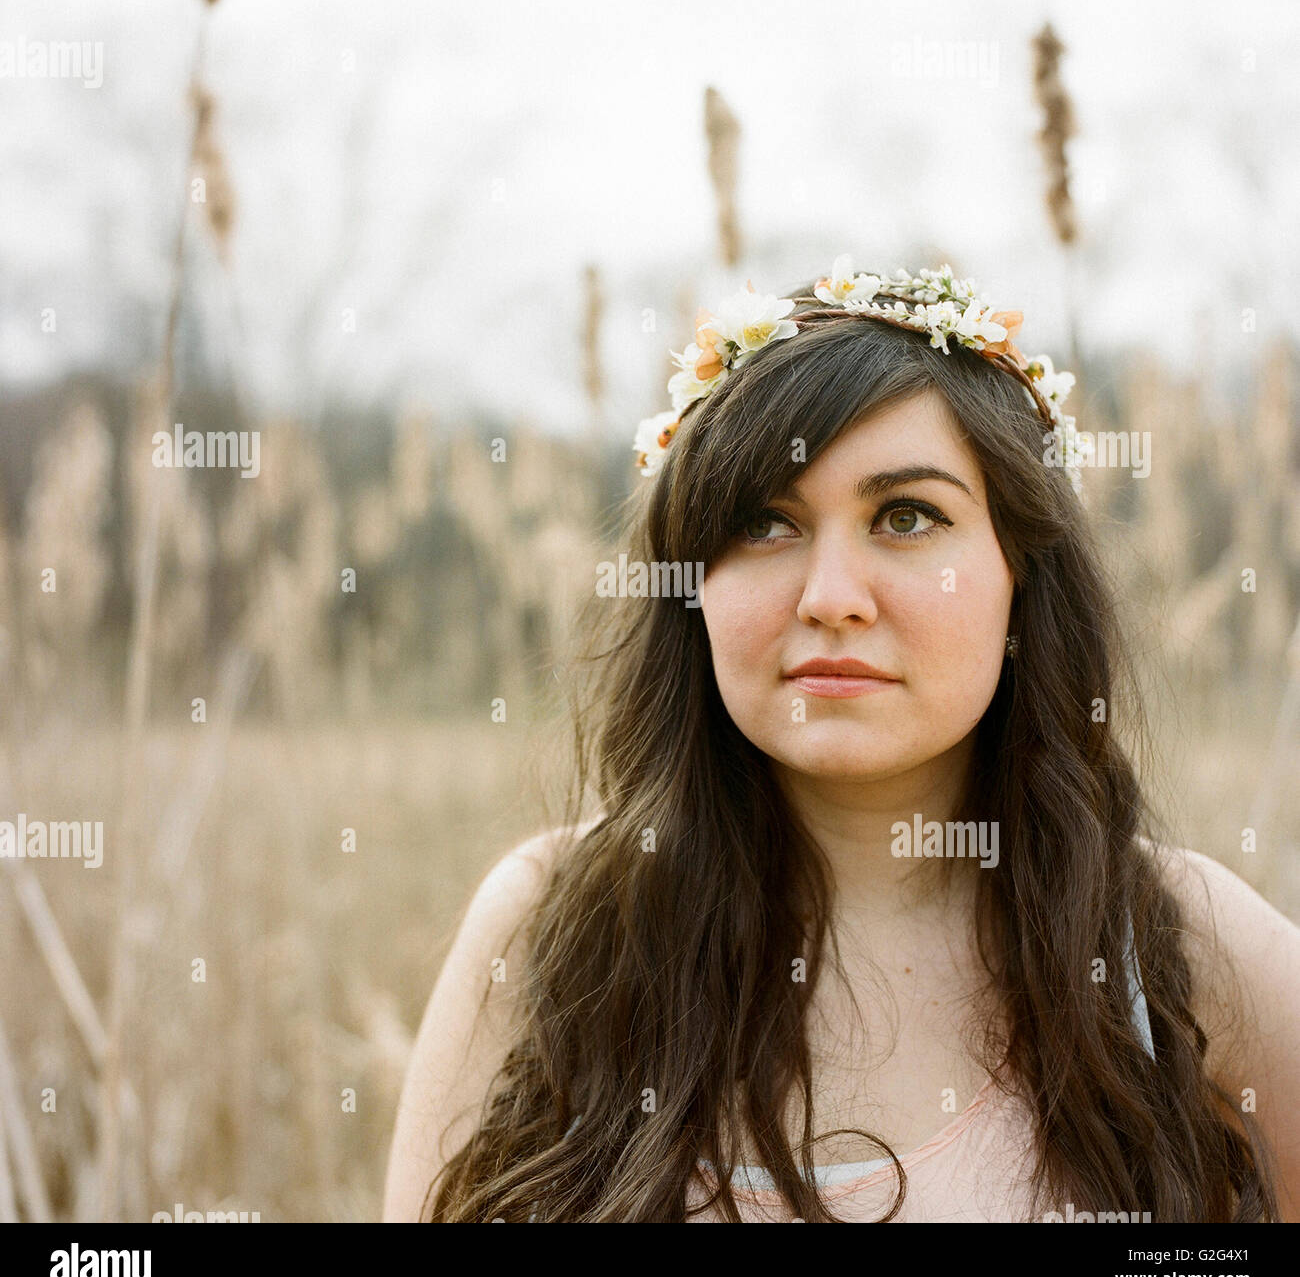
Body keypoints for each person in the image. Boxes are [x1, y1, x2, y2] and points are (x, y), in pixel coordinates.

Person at [383, 258, 1300, 1222]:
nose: (829, 598)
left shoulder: (1175, 944)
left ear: (1021, 576)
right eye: (766, 524)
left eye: (907, 517)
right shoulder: (550, 931)